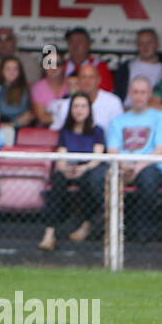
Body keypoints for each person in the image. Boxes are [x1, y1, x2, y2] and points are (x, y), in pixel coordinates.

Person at [105, 77, 162, 242]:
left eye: (143, 92)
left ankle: (143, 231)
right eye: (135, 92)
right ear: (129, 93)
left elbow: (160, 150)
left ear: (149, 95)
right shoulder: (118, 121)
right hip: (122, 167)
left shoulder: (161, 118)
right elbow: (113, 150)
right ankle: (108, 229)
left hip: (152, 167)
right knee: (99, 177)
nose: (138, 96)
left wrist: (136, 169)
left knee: (147, 179)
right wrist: (124, 167)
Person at [38, 92, 106, 251]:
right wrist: (65, 169)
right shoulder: (65, 131)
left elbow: (97, 158)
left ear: (89, 109)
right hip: (69, 168)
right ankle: (49, 233)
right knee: (57, 181)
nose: (79, 110)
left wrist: (83, 169)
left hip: (88, 169)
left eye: (83, 106)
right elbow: (61, 156)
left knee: (89, 182)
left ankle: (86, 224)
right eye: (76, 106)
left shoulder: (97, 130)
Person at [48, 62, 124, 132]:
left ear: (99, 80)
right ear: (78, 80)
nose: (87, 81)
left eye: (91, 77)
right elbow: (56, 132)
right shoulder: (65, 105)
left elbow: (119, 132)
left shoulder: (113, 102)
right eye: (83, 77)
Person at [113, 28, 162, 104]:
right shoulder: (126, 67)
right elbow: (117, 93)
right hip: (126, 111)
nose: (145, 46)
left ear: (157, 44)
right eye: (141, 43)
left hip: (152, 112)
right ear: (137, 46)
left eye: (149, 43)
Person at [63, 26, 113, 92]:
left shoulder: (99, 66)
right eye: (72, 41)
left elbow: (105, 93)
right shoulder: (61, 66)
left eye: (80, 41)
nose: (75, 45)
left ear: (89, 44)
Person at [29, 52, 67, 127]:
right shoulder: (38, 88)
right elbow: (42, 118)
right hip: (45, 133)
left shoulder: (71, 84)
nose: (53, 67)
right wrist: (66, 117)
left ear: (63, 66)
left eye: (58, 64)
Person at [0, 55, 32, 127]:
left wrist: (11, 124)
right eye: (8, 69)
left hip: (18, 129)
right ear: (2, 71)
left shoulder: (25, 90)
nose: (11, 72)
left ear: (20, 72)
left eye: (15, 69)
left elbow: (23, 114)